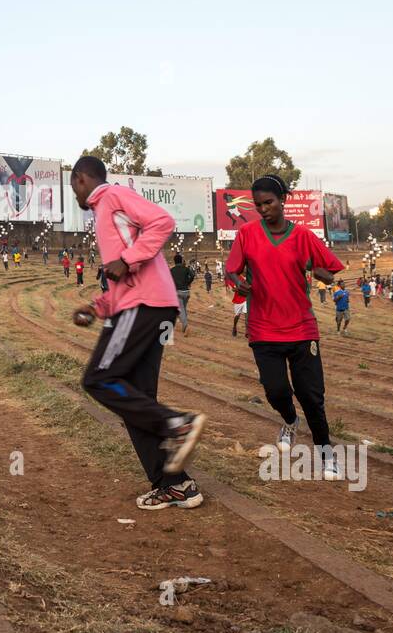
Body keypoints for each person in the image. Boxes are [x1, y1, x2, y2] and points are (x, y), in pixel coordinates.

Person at [69, 155, 205, 511]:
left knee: (99, 379)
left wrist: (127, 260)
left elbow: (162, 221)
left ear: (82, 180)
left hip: (141, 307)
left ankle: (178, 424)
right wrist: (98, 307)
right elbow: (120, 277)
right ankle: (174, 485)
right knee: (136, 399)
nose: (76, 197)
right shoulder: (106, 212)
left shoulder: (110, 197)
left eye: (74, 189)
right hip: (152, 306)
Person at [223, 174, 343, 475]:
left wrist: (323, 275)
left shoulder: (303, 236)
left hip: (302, 327)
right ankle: (290, 421)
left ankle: (327, 454)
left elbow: (329, 271)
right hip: (263, 328)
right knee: (276, 391)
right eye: (259, 204)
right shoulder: (247, 234)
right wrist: (240, 281)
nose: (264, 209)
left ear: (283, 201)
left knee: (312, 396)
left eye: (269, 202)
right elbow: (232, 271)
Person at [170, 253, 194, 335]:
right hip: (186, 292)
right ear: (181, 260)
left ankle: (185, 325)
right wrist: (188, 282)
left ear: (174, 261)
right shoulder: (186, 268)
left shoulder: (172, 270)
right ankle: (183, 323)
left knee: (180, 310)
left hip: (177, 292)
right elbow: (192, 274)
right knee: (183, 308)